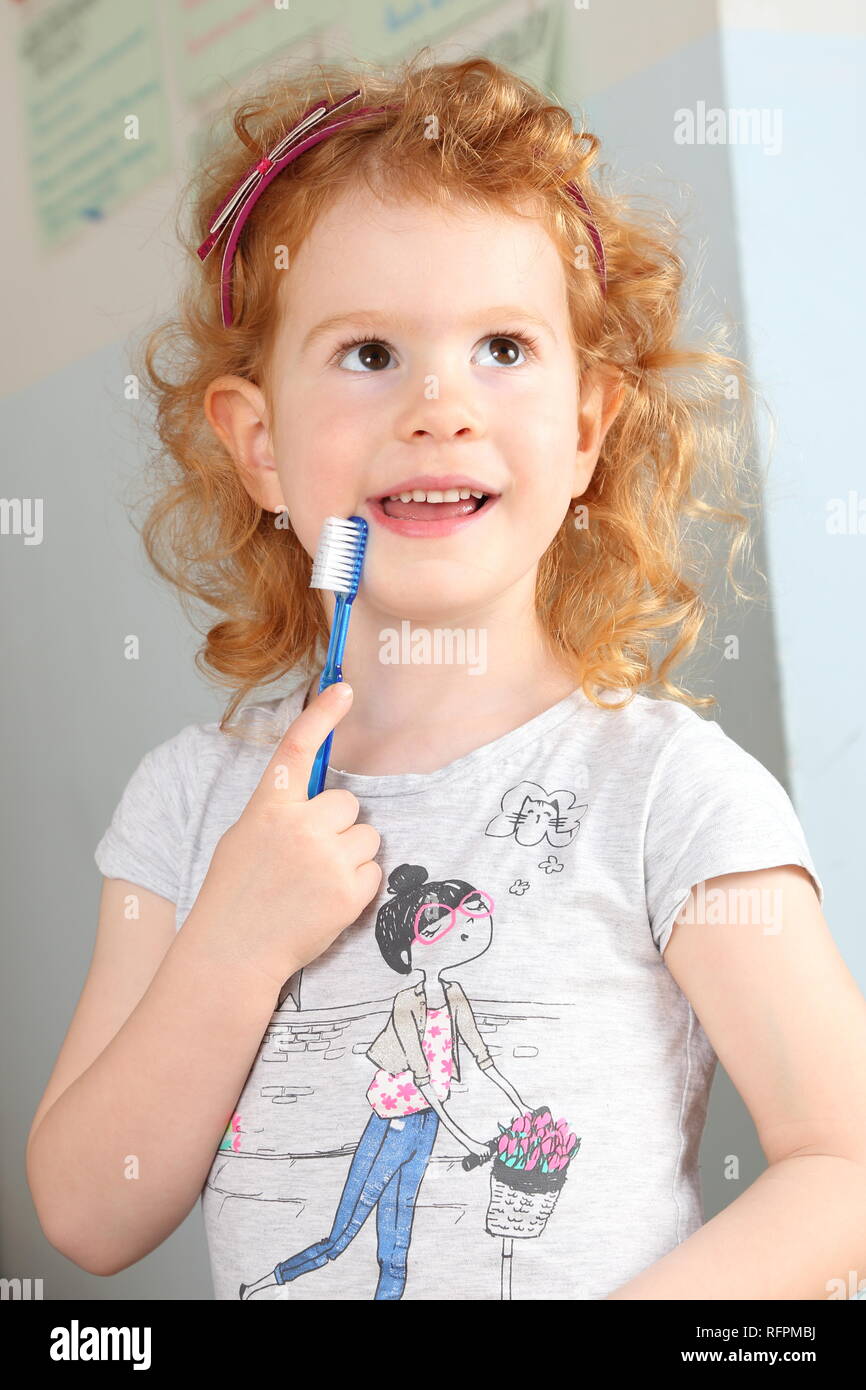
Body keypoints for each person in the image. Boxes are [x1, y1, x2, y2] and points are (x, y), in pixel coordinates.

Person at [26, 53, 866, 1302]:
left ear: (586, 429)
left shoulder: (670, 797)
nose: (436, 404)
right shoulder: (189, 806)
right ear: (257, 444)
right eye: (367, 351)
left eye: (501, 348)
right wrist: (233, 942)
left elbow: (841, 1167)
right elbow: (87, 1213)